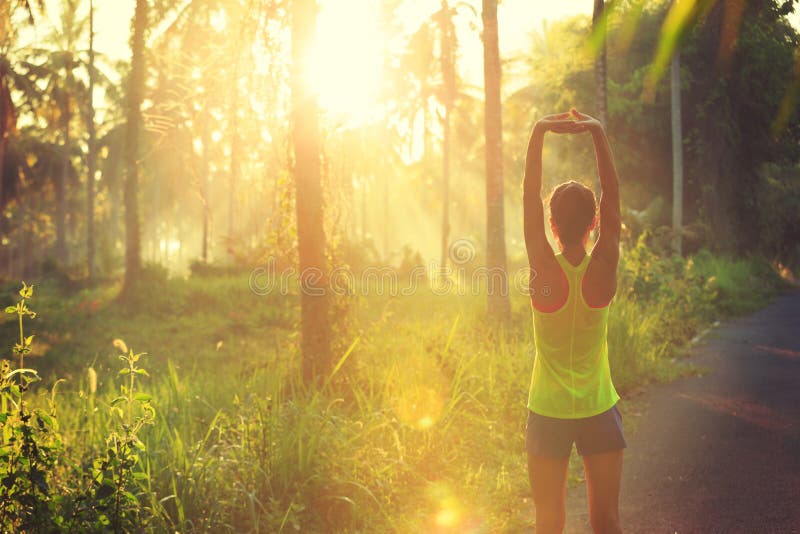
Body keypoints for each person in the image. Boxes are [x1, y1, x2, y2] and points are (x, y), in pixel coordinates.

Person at [522, 109, 625, 534]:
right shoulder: (602, 270)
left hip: (547, 411)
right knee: (606, 522)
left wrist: (539, 131)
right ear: (595, 223)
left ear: (551, 225)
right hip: (598, 407)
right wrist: (598, 132)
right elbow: (613, 192)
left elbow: (529, 196)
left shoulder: (544, 272)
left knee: (548, 523)